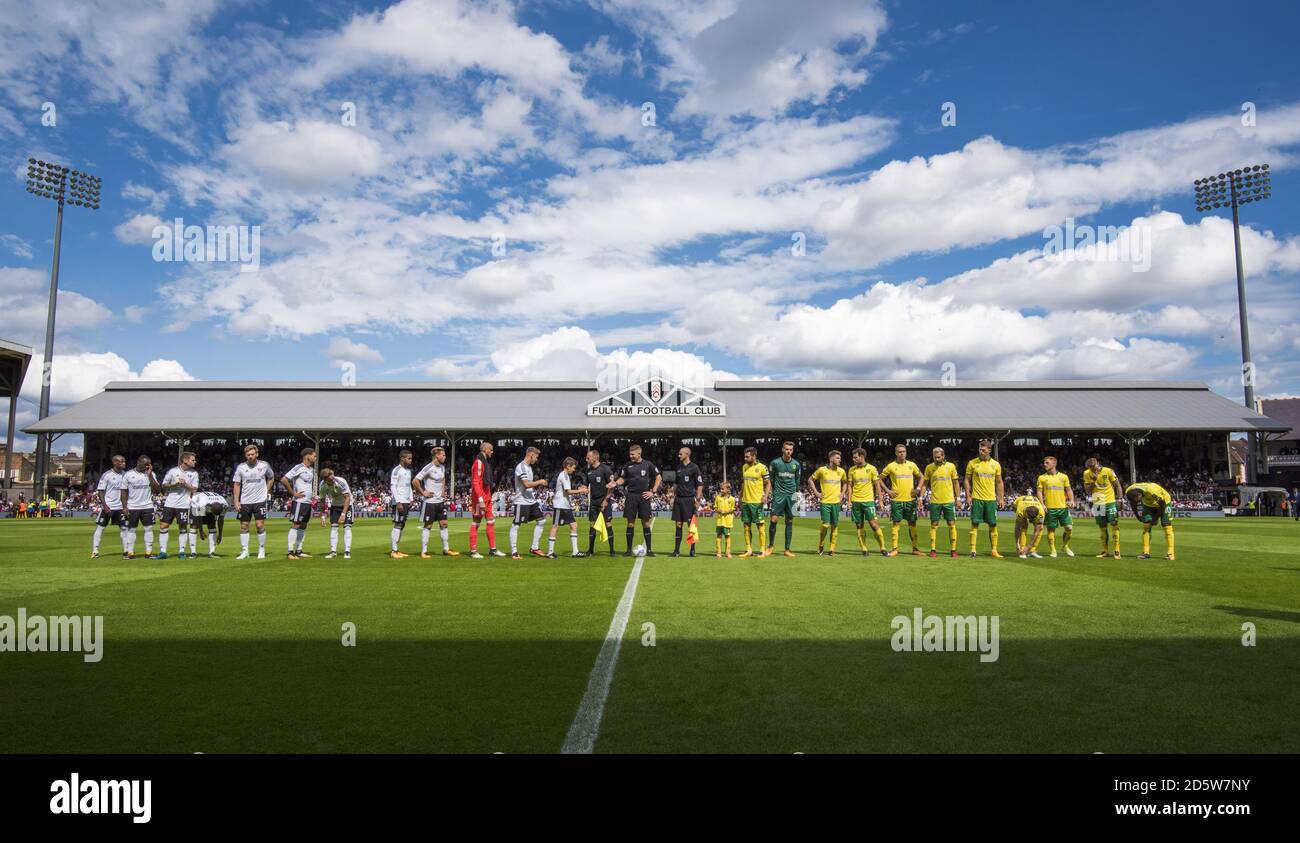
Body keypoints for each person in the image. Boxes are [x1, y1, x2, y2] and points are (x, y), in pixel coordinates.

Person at [614, 444, 660, 557]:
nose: (630, 456)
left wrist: (652, 491)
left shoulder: (648, 464)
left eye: (632, 454)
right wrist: (615, 483)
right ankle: (629, 550)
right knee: (630, 523)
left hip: (644, 496)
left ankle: (649, 550)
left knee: (645, 523)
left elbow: (658, 477)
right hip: (631, 496)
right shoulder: (627, 465)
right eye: (630, 454)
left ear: (639, 453)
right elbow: (622, 478)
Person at [232, 444, 275, 560]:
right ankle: (245, 551)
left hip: (260, 500)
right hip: (245, 501)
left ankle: (261, 549)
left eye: (252, 454)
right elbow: (236, 484)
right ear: (245, 455)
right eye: (248, 454)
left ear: (257, 454)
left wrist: (266, 490)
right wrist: (236, 501)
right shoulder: (241, 467)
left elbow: (271, 477)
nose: (250, 456)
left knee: (259, 525)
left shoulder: (264, 465)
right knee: (244, 526)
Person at [414, 446, 459, 558]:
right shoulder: (428, 467)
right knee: (428, 525)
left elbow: (443, 479)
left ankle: (446, 549)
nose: (445, 457)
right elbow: (415, 481)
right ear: (436, 456)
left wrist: (443, 490)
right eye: (443, 455)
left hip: (440, 501)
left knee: (444, 524)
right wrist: (423, 492)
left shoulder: (442, 467)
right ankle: (424, 551)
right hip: (430, 502)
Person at [964, 439, 1005, 558]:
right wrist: (968, 495)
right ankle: (973, 550)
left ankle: (994, 550)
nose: (980, 451)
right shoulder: (972, 463)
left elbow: (999, 482)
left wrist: (1001, 498)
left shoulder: (995, 464)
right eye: (979, 449)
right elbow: (967, 479)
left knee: (993, 524)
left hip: (991, 499)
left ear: (989, 450)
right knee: (975, 524)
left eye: (983, 450)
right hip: (977, 498)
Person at [881, 444, 923, 557]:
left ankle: (915, 549)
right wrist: (888, 491)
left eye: (904, 451)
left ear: (906, 452)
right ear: (896, 453)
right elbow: (878, 479)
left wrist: (918, 489)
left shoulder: (912, 465)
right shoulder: (891, 466)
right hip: (897, 500)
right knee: (896, 524)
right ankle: (895, 549)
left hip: (910, 499)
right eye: (899, 452)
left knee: (912, 524)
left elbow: (921, 477)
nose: (902, 453)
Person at [919, 446, 960, 558]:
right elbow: (925, 484)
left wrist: (958, 499)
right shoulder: (929, 467)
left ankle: (953, 550)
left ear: (943, 456)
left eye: (938, 457)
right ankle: (933, 550)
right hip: (935, 501)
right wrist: (921, 498)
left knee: (951, 524)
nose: (936, 459)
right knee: (934, 525)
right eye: (934, 457)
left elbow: (956, 483)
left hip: (949, 501)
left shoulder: (951, 466)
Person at [158, 451, 200, 559]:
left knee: (182, 527)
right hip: (170, 503)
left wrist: (185, 485)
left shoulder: (194, 474)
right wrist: (174, 484)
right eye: (193, 460)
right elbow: (163, 485)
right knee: (163, 526)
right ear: (185, 460)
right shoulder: (173, 471)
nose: (195, 461)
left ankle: (181, 551)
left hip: (184, 505)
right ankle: (163, 551)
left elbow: (194, 489)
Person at [510, 446, 549, 559]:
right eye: (536, 457)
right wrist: (540, 482)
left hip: (531, 501)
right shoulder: (521, 467)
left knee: (541, 521)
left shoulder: (529, 467)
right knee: (516, 525)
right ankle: (514, 551)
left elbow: (528, 486)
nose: (537, 459)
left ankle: (534, 548)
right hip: (521, 501)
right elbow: (526, 484)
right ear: (531, 455)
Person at [847, 448, 886, 556]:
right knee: (859, 526)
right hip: (856, 501)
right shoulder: (851, 470)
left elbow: (877, 485)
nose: (853, 459)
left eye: (855, 457)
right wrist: (849, 501)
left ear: (862, 457)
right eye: (853, 457)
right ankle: (864, 549)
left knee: (874, 525)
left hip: (868, 501)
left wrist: (880, 501)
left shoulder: (872, 469)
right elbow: (850, 486)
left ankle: (882, 547)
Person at [469, 442, 505, 558]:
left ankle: (493, 549)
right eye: (491, 449)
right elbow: (475, 482)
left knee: (491, 522)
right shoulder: (479, 462)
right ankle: (473, 551)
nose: (492, 452)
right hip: (480, 499)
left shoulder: (485, 462)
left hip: (487, 497)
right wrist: (480, 500)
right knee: (476, 523)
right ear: (485, 450)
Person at [547, 456, 588, 558]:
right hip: (560, 505)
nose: (574, 470)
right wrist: (581, 491)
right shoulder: (564, 475)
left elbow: (567, 490)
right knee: (555, 526)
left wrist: (578, 489)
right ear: (568, 466)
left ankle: (575, 551)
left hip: (565, 506)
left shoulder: (565, 476)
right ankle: (550, 552)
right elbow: (568, 491)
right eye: (573, 467)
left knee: (573, 526)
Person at [808, 450, 848, 555]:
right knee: (825, 525)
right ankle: (821, 544)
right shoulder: (822, 470)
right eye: (837, 458)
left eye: (840, 458)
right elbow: (810, 480)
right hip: (825, 502)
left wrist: (843, 493)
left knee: (834, 525)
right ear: (831, 459)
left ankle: (832, 549)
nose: (840, 460)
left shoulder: (842, 471)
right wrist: (817, 493)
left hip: (836, 503)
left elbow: (845, 483)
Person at [121, 455, 161, 559]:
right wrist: (125, 507)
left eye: (149, 464)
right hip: (132, 507)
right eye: (145, 464)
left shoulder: (151, 474)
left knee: (149, 528)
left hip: (147, 506)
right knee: (131, 529)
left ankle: (148, 552)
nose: (148, 466)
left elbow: (157, 490)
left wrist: (150, 475)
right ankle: (130, 553)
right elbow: (124, 491)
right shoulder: (128, 475)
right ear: (138, 462)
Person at [1083, 457, 1124, 558]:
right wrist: (1093, 481)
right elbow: (1088, 491)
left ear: (1097, 463)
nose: (1092, 469)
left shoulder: (1108, 471)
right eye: (1090, 467)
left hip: (1110, 501)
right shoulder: (1086, 473)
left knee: (1114, 524)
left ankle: (1117, 550)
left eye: (1093, 466)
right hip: (1097, 500)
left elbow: (1117, 485)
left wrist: (1119, 498)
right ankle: (1104, 551)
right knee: (1102, 527)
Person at [281, 447, 318, 559]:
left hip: (307, 502)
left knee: (303, 525)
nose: (315, 458)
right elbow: (284, 479)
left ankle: (299, 550)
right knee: (296, 524)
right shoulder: (298, 467)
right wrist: (293, 493)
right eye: (314, 455)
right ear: (308, 456)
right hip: (299, 501)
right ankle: (290, 552)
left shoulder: (311, 469)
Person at [667, 446, 704, 557]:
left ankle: (692, 549)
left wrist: (697, 499)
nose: (679, 456)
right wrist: (671, 495)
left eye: (680, 454)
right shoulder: (678, 467)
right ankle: (676, 550)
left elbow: (700, 484)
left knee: (691, 525)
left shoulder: (694, 467)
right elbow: (676, 484)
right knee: (678, 524)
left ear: (687, 454)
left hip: (689, 499)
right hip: (678, 499)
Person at [767, 441, 802, 556]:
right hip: (779, 495)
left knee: (789, 521)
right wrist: (775, 492)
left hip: (791, 495)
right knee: (773, 520)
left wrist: (796, 494)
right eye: (786, 449)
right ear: (782, 449)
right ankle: (771, 546)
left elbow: (797, 480)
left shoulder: (796, 464)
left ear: (793, 451)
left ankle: (787, 549)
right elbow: (771, 479)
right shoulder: (775, 463)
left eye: (790, 450)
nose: (788, 451)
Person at [1125, 481, 1176, 560]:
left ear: (1139, 495)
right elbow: (1133, 503)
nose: (1137, 502)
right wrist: (1137, 515)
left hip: (1164, 501)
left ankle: (1171, 553)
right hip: (1148, 504)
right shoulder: (1129, 491)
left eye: (1137, 499)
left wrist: (1155, 518)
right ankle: (1146, 553)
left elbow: (1162, 504)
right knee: (1146, 526)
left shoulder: (1151, 490)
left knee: (1166, 525)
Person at [1036, 456, 1075, 558]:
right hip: (1050, 508)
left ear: (1054, 464)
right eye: (1044, 463)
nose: (1044, 464)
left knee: (1069, 528)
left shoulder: (1064, 477)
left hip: (1063, 507)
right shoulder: (1042, 477)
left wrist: (1071, 500)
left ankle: (1065, 546)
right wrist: (1042, 504)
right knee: (1051, 530)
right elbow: (1039, 492)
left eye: (1047, 463)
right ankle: (1053, 550)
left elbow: (1068, 489)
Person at [91, 454, 128, 559]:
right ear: (115, 463)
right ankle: (95, 551)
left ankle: (126, 551)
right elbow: (100, 491)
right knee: (100, 527)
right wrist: (105, 505)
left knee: (124, 528)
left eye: (124, 461)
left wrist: (126, 506)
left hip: (120, 507)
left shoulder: (125, 475)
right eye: (122, 461)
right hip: (109, 506)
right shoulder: (106, 475)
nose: (124, 463)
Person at [583, 449, 617, 557]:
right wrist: (582, 488)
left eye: (588, 457)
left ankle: (612, 551)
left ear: (595, 457)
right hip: (593, 502)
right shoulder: (588, 470)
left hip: (604, 501)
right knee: (592, 525)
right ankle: (591, 550)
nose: (586, 459)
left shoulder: (605, 469)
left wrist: (606, 500)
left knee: (608, 524)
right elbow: (585, 484)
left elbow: (611, 486)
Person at [737, 446, 770, 557]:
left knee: (760, 526)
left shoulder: (762, 468)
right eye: (744, 456)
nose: (745, 458)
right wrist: (740, 496)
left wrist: (765, 495)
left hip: (757, 502)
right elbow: (744, 482)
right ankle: (749, 549)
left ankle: (762, 550)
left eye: (747, 456)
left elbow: (768, 483)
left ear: (754, 456)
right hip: (746, 501)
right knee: (746, 526)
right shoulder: (744, 467)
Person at [317, 466, 353, 559]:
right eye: (330, 477)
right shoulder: (322, 485)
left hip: (347, 505)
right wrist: (323, 515)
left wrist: (343, 514)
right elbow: (322, 500)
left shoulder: (341, 481)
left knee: (347, 527)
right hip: (335, 505)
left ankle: (347, 551)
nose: (333, 477)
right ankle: (333, 551)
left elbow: (347, 498)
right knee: (334, 528)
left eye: (333, 475)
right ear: (325, 479)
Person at [389, 449, 415, 558]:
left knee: (402, 524)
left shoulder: (408, 471)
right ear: (402, 458)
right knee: (397, 524)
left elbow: (408, 486)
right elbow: (392, 486)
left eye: (411, 458)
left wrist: (411, 498)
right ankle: (393, 551)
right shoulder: (396, 470)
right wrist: (398, 501)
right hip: (399, 501)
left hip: (406, 501)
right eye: (409, 458)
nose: (411, 460)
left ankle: (397, 549)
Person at [190, 490, 227, 557]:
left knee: (212, 526)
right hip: (196, 504)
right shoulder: (202, 503)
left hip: (209, 503)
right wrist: (201, 531)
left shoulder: (224, 504)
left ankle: (212, 552)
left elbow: (221, 520)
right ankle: (193, 552)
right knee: (194, 526)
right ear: (211, 509)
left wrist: (220, 534)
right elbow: (199, 518)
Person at [1013, 493, 1045, 559]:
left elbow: (1037, 530)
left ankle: (1032, 551)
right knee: (1023, 526)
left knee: (1040, 528)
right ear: (1026, 513)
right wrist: (1017, 544)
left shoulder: (1041, 512)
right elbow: (1017, 528)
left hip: (1034, 502)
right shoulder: (1020, 511)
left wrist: (1029, 546)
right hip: (1018, 502)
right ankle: (1021, 549)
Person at [713, 480, 736, 558]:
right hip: (719, 521)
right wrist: (719, 510)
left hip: (727, 521)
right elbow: (715, 507)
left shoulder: (732, 499)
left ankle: (727, 552)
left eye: (722, 489)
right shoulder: (718, 498)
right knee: (719, 536)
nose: (721, 490)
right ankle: (718, 552)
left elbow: (733, 508)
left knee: (727, 536)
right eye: (720, 488)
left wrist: (727, 511)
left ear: (728, 490)